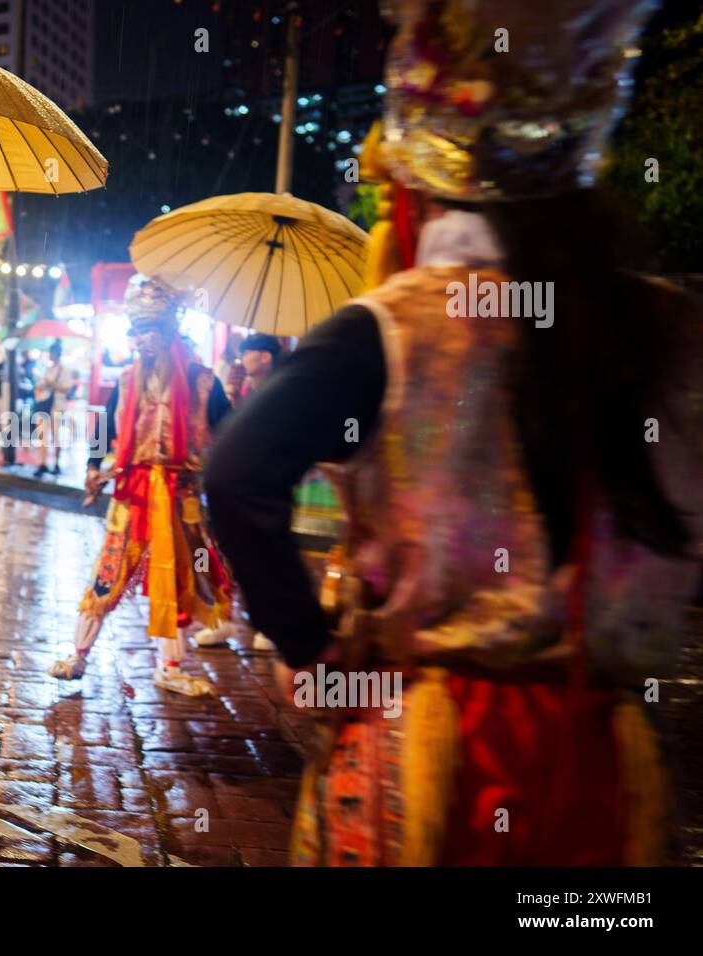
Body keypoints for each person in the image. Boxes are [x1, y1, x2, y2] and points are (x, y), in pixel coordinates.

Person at [205, 0, 701, 866]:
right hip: (607, 771)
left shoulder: (400, 323)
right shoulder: (672, 330)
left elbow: (238, 473)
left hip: (424, 758)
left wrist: (316, 653)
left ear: (419, 187)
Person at [48, 275, 235, 695]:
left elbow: (230, 433)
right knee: (108, 572)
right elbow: (102, 429)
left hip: (179, 496)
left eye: (150, 330)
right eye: (137, 331)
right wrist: (94, 465)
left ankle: (170, 666)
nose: (142, 340)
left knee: (179, 579)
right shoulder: (127, 381)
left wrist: (234, 410)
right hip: (131, 494)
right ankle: (78, 655)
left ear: (170, 333)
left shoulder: (205, 383)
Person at [33, 339, 73, 477]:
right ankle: (43, 464)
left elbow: (67, 389)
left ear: (56, 353)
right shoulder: (47, 369)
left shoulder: (64, 370)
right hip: (44, 406)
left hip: (57, 406)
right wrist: (43, 384)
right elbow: (40, 386)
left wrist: (53, 384)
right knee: (43, 436)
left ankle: (56, 463)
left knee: (56, 436)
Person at [237, 333, 280, 397]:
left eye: (246, 353)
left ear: (265, 357)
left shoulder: (276, 393)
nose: (242, 359)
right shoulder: (246, 387)